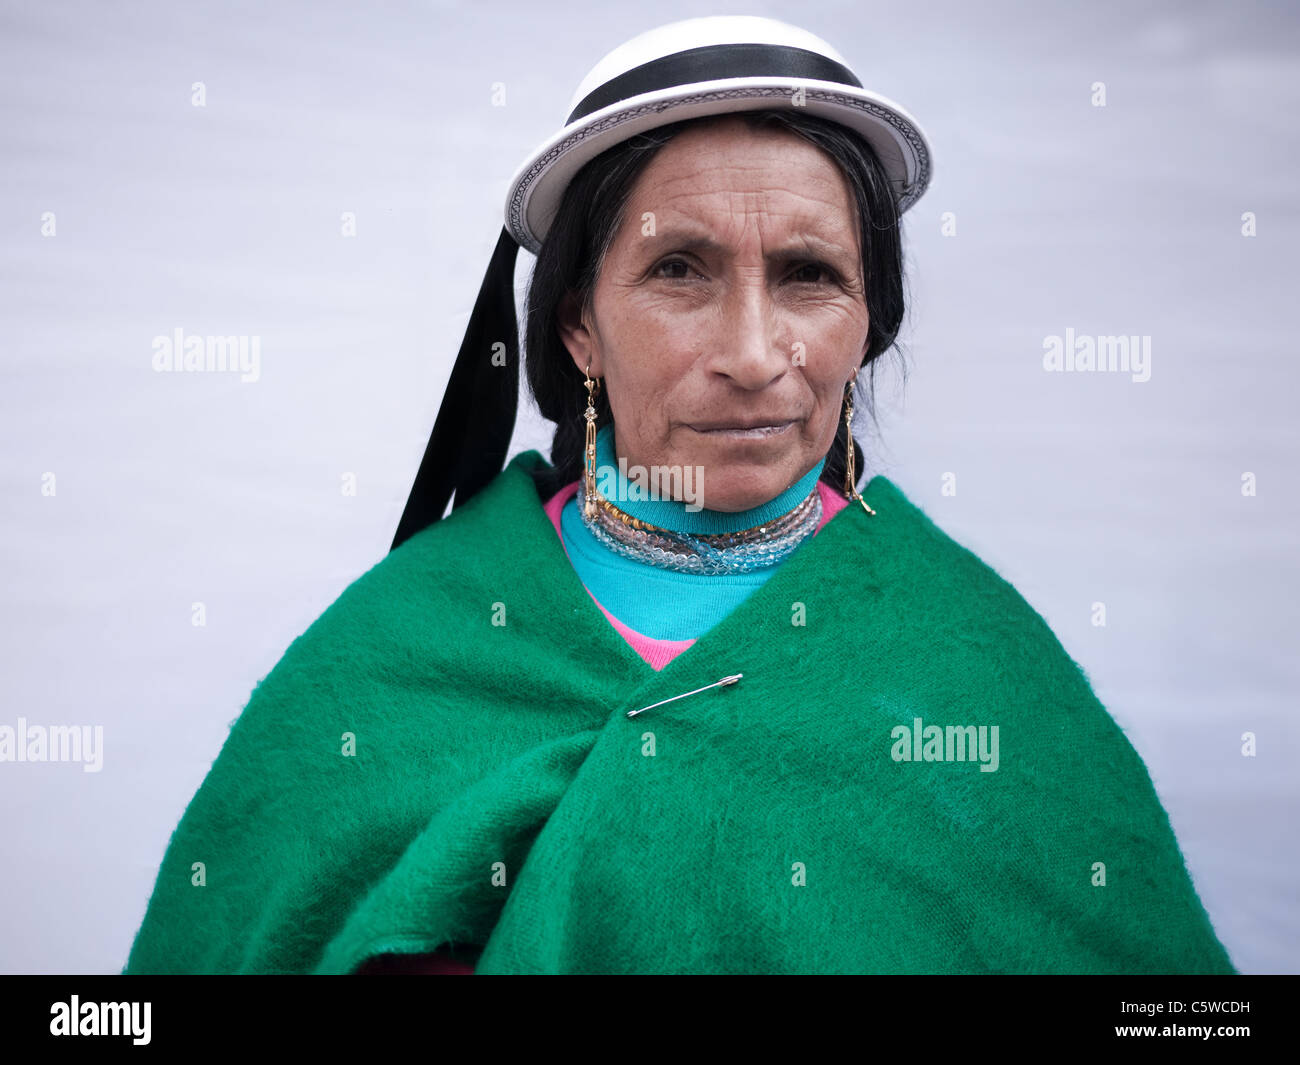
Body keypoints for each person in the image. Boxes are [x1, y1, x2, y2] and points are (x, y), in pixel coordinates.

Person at [123, 15, 1235, 975]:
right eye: (677, 271)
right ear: (575, 325)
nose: (754, 355)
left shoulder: (978, 673)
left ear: (866, 322)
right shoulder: (396, 655)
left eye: (810, 276)